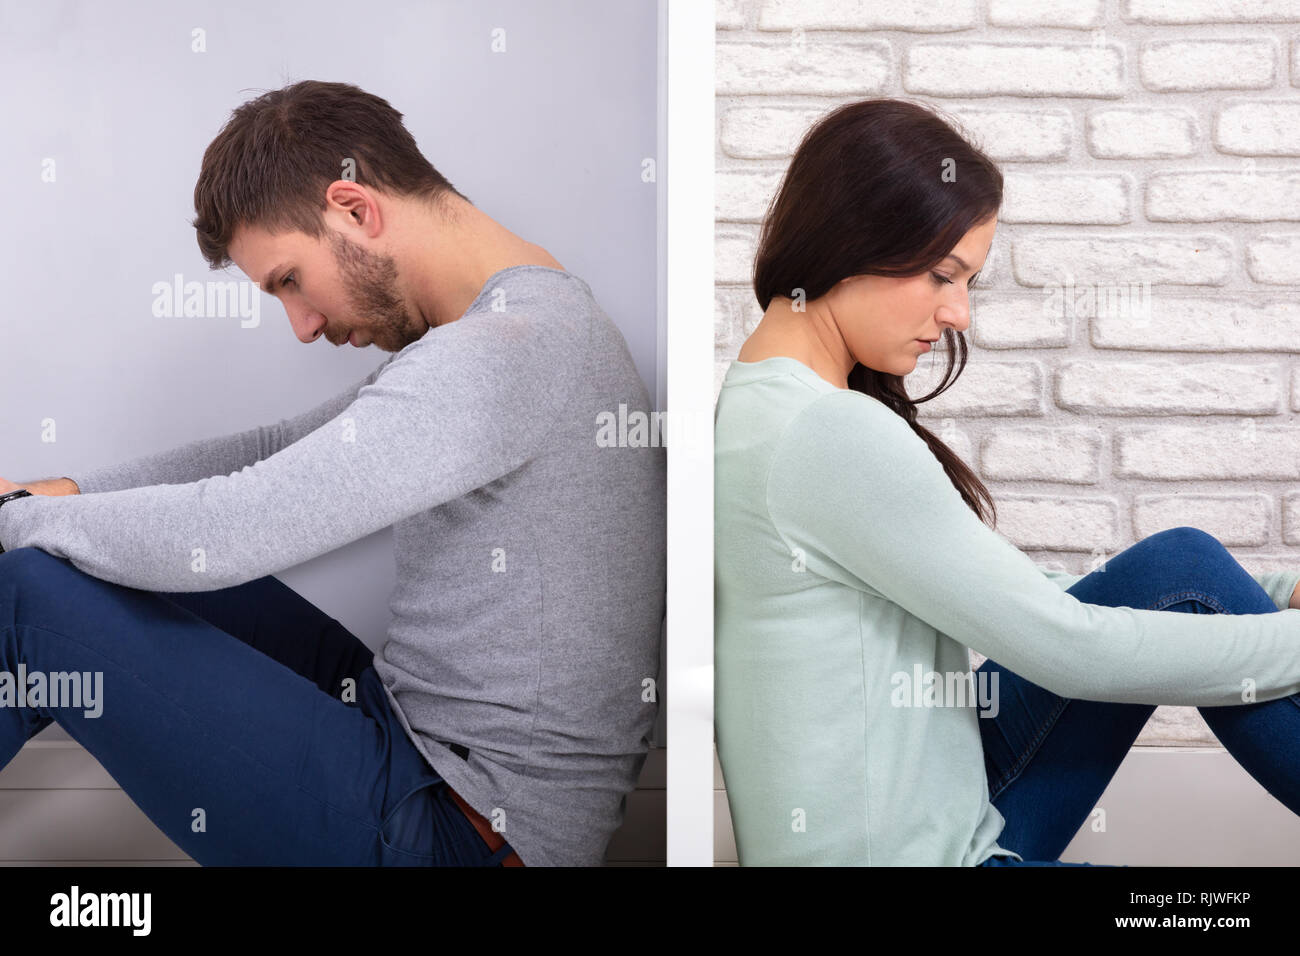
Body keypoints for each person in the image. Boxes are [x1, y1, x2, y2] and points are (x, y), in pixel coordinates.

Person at [0, 80, 665, 867]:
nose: (304, 326)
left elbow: (231, 526)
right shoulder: (522, 327)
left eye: (289, 280)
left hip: (459, 836)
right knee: (88, 557)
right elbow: (279, 447)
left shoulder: (502, 357)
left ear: (354, 208)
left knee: (27, 593)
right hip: (413, 745)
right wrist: (67, 495)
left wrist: (12, 520)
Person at [713, 97, 1300, 866]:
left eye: (969, 283)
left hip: (952, 815)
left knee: (1179, 569)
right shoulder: (827, 433)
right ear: (849, 239)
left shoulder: (766, 404)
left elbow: (1010, 595)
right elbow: (1073, 653)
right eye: (940, 275)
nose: (958, 312)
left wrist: (1277, 593)